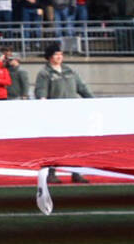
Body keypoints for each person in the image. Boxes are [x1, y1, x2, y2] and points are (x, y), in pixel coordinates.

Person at [34, 43, 93, 184]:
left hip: (73, 112)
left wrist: (92, 101)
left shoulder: (69, 71)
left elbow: (82, 88)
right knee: (53, 144)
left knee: (76, 143)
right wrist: (43, 103)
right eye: (56, 54)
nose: (59, 56)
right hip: (55, 113)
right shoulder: (45, 73)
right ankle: (51, 173)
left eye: (60, 54)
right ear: (49, 57)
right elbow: (41, 91)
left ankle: (76, 172)